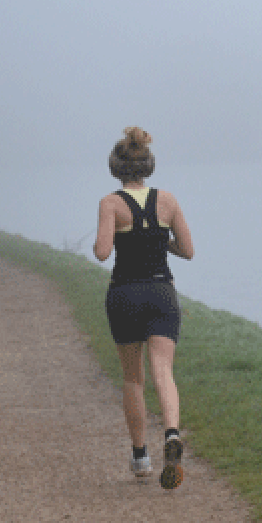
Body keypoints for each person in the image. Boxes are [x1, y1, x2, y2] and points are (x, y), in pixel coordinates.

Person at [94, 127, 195, 489]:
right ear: (148, 166)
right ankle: (171, 433)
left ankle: (141, 457)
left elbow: (102, 252)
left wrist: (120, 233)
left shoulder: (110, 204)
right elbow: (188, 251)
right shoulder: (168, 201)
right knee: (163, 371)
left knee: (133, 377)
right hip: (161, 292)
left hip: (125, 294)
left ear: (116, 168)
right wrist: (159, 239)